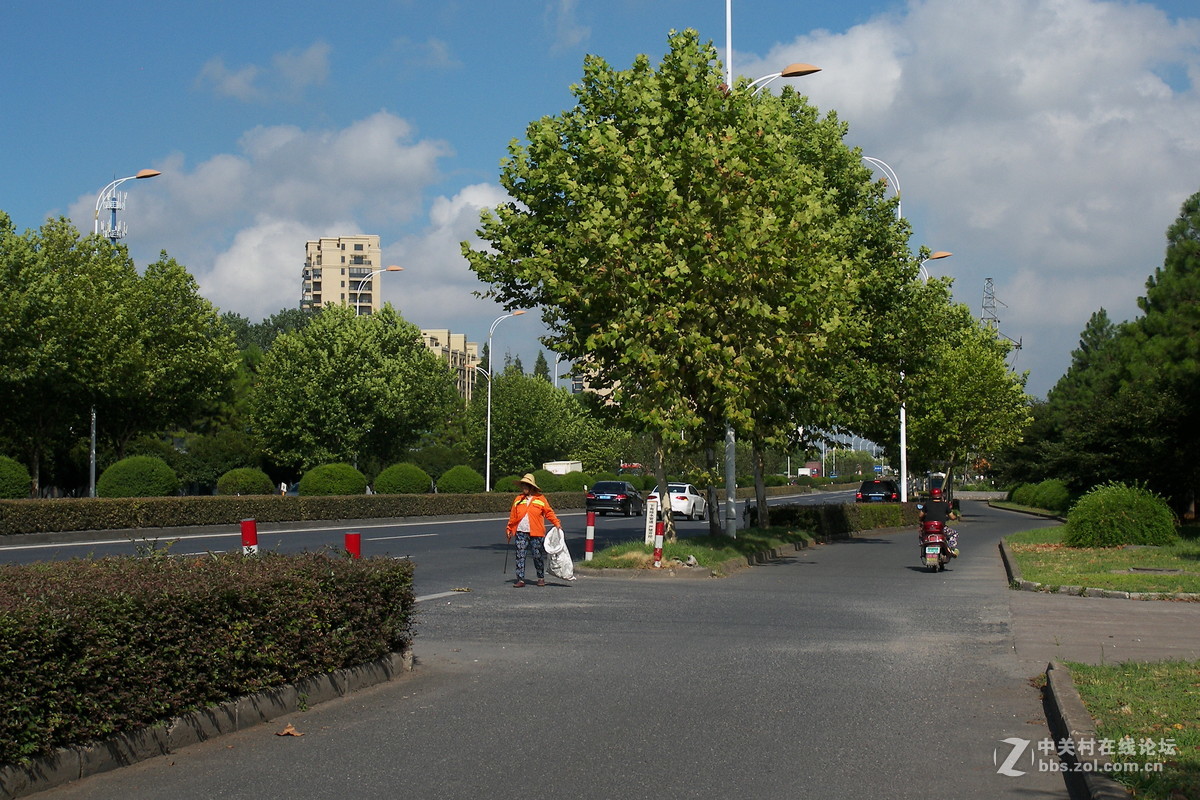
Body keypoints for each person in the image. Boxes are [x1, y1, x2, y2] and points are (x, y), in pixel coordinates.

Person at [506, 473, 562, 587]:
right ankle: (520, 579)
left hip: (536, 532)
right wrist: (509, 528)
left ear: (532, 487)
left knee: (537, 555)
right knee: (520, 555)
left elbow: (549, 512)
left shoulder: (540, 499)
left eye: (526, 485)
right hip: (521, 532)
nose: (524, 487)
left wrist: (556, 523)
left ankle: (540, 577)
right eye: (523, 485)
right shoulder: (518, 499)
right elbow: (513, 515)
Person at [917, 488, 960, 556]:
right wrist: (956, 516)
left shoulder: (927, 504)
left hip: (928, 529)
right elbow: (952, 517)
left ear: (931, 495)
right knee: (954, 534)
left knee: (921, 533)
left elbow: (920, 515)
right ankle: (950, 548)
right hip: (941, 529)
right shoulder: (945, 505)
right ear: (941, 495)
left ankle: (922, 544)